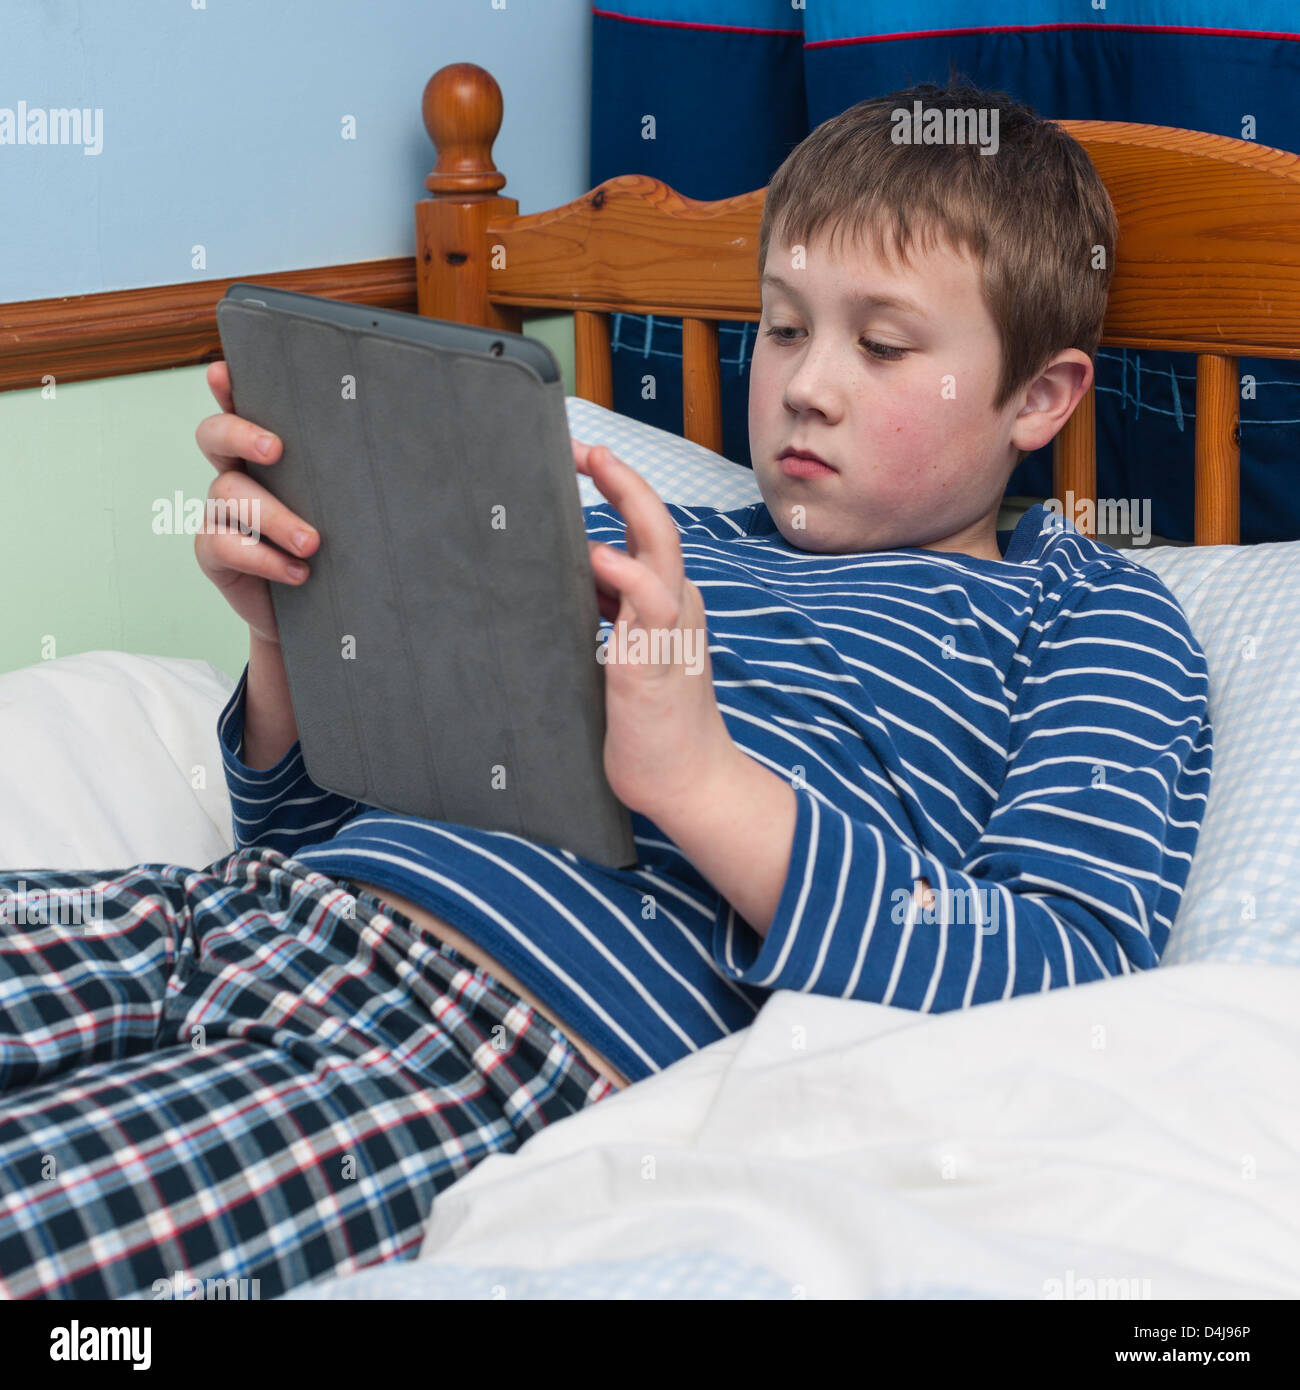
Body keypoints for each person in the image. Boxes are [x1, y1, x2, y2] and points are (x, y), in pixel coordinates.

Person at [0, 79, 1212, 1300]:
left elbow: (1064, 975)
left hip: (472, 1033)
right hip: (233, 909)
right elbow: (313, 819)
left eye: (882, 345)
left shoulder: (1086, 614)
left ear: (1040, 397)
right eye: (784, 327)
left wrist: (696, 780)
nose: (805, 383)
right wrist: (290, 647)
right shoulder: (620, 533)